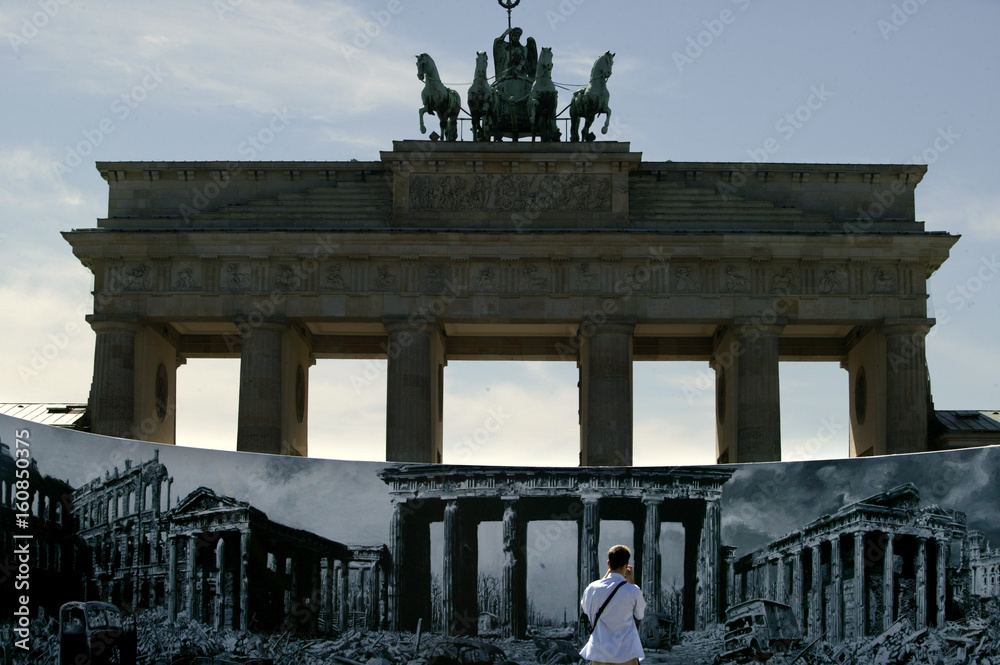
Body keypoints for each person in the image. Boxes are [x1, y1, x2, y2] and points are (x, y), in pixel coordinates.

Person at [579, 544, 645, 665]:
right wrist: (631, 582)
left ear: (608, 564)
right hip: (626, 655)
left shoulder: (591, 589)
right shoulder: (633, 590)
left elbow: (586, 610)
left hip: (599, 654)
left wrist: (605, 577)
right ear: (626, 565)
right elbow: (639, 615)